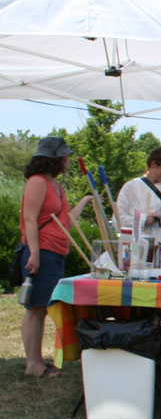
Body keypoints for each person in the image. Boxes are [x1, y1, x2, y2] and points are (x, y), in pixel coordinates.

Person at [19, 136, 93, 377]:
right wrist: (35, 252)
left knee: (44, 306)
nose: (68, 160)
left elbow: (66, 220)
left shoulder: (56, 185)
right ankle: (33, 364)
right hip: (41, 251)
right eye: (65, 156)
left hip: (56, 251)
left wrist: (85, 200)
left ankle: (37, 360)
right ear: (54, 159)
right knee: (36, 308)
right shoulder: (37, 182)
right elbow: (30, 219)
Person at [115, 146, 161, 244]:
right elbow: (118, 220)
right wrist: (143, 220)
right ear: (153, 164)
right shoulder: (131, 187)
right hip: (136, 247)